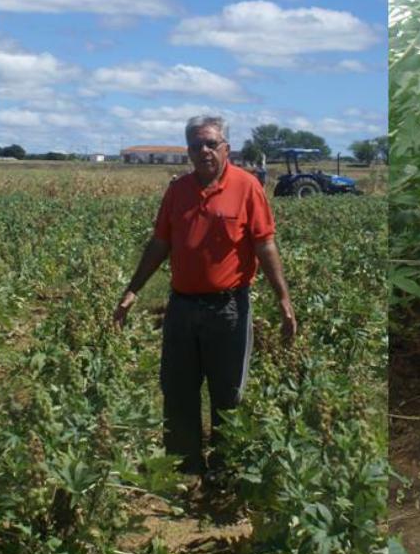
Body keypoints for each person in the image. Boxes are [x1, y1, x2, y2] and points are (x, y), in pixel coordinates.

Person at [113, 115, 297, 481]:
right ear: (188, 152)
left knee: (228, 393)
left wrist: (283, 300)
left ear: (226, 147)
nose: (204, 151)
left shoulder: (247, 187)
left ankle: (227, 471)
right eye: (196, 145)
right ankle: (185, 470)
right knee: (177, 389)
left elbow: (264, 244)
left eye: (211, 143)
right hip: (181, 306)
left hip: (229, 308)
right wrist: (132, 289)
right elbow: (160, 243)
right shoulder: (177, 191)